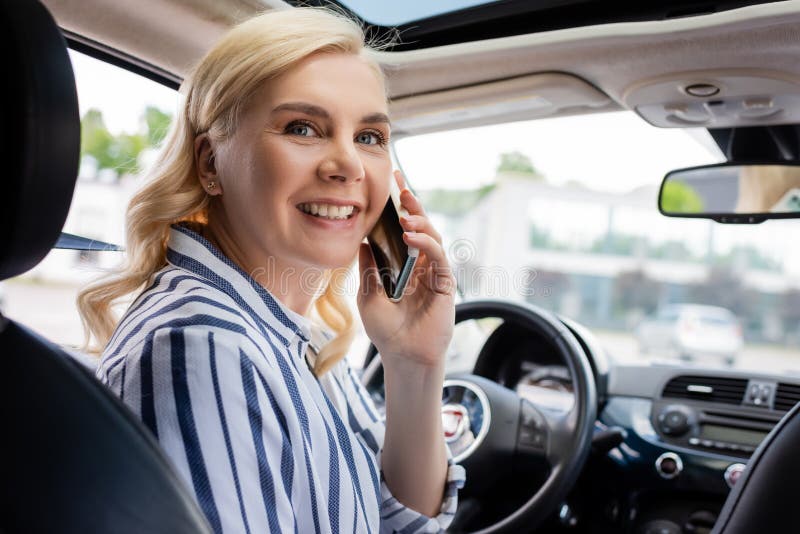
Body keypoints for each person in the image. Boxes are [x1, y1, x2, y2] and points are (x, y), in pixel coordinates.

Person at [78, 8, 464, 533]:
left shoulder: (299, 335)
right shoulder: (206, 346)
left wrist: (416, 363)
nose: (348, 164)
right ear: (211, 163)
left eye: (370, 137)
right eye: (303, 128)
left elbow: (396, 525)